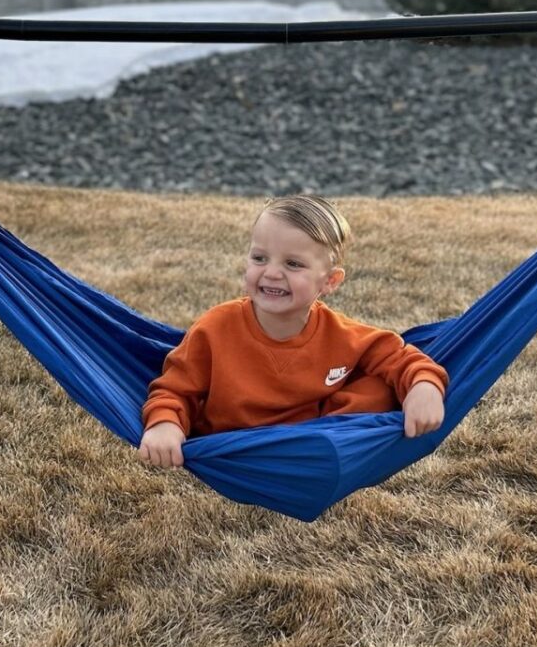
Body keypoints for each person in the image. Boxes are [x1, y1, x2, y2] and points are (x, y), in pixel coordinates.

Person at [137, 195, 448, 469]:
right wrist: (165, 424)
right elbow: (174, 388)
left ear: (330, 281)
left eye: (293, 264)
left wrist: (424, 386)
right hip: (231, 445)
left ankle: (315, 453)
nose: (272, 272)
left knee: (380, 388)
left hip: (310, 442)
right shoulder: (216, 328)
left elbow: (399, 356)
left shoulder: (339, 334)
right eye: (259, 258)